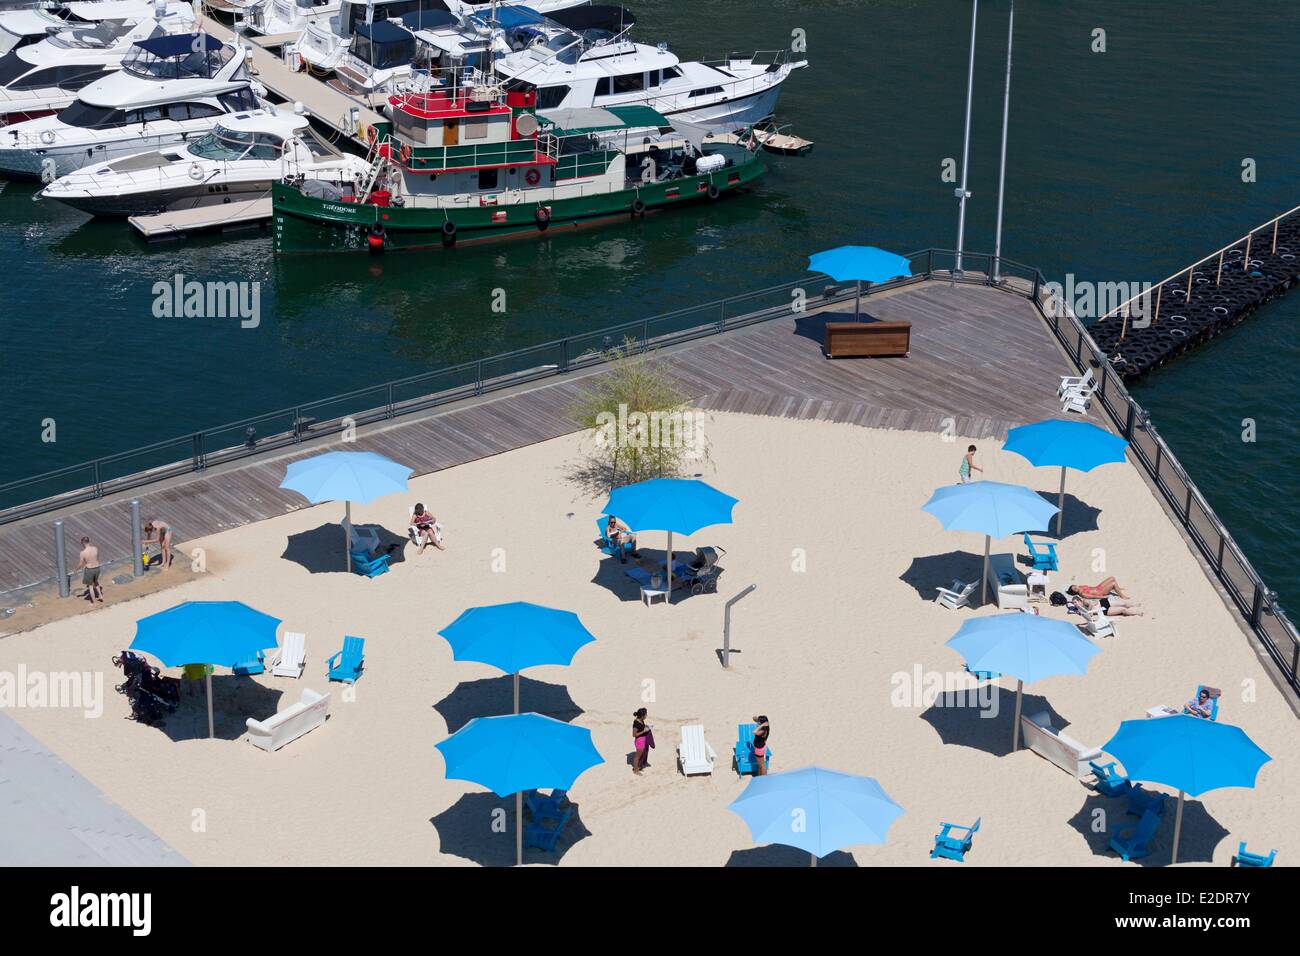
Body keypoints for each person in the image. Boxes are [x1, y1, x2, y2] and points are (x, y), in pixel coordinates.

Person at [72, 536, 103, 604]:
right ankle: (100, 596)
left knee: (90, 586)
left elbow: (81, 563)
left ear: (83, 543)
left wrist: (76, 569)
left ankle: (94, 602)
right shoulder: (95, 548)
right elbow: (97, 558)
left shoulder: (83, 552)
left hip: (90, 570)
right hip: (97, 568)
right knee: (96, 582)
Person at [1073, 593, 1144, 617]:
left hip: (1103, 602)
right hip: (1103, 610)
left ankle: (1134, 605)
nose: (1075, 604)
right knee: (1122, 609)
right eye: (1074, 603)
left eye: (1075, 602)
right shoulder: (1079, 609)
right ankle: (1136, 613)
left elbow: (1091, 604)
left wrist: (1089, 611)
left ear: (1079, 600)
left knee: (1123, 603)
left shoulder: (1084, 601)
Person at [632, 707, 653, 774]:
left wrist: (647, 727)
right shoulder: (636, 723)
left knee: (642, 755)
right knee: (637, 756)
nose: (646, 716)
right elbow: (634, 734)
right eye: (646, 715)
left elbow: (641, 728)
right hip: (639, 741)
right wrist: (643, 731)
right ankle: (635, 771)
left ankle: (638, 767)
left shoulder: (641, 720)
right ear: (642, 716)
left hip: (642, 740)